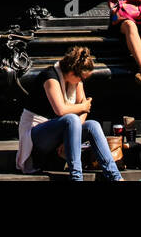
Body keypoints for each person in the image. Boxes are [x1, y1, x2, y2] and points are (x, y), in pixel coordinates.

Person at [16, 46, 122, 181]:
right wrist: (82, 107)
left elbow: (83, 112)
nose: (82, 81)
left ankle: (115, 176)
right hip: (36, 133)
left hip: (60, 130)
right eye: (81, 78)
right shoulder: (50, 77)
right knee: (71, 118)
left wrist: (72, 136)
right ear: (72, 73)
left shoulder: (76, 82)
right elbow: (60, 110)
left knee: (92, 125)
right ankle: (77, 177)